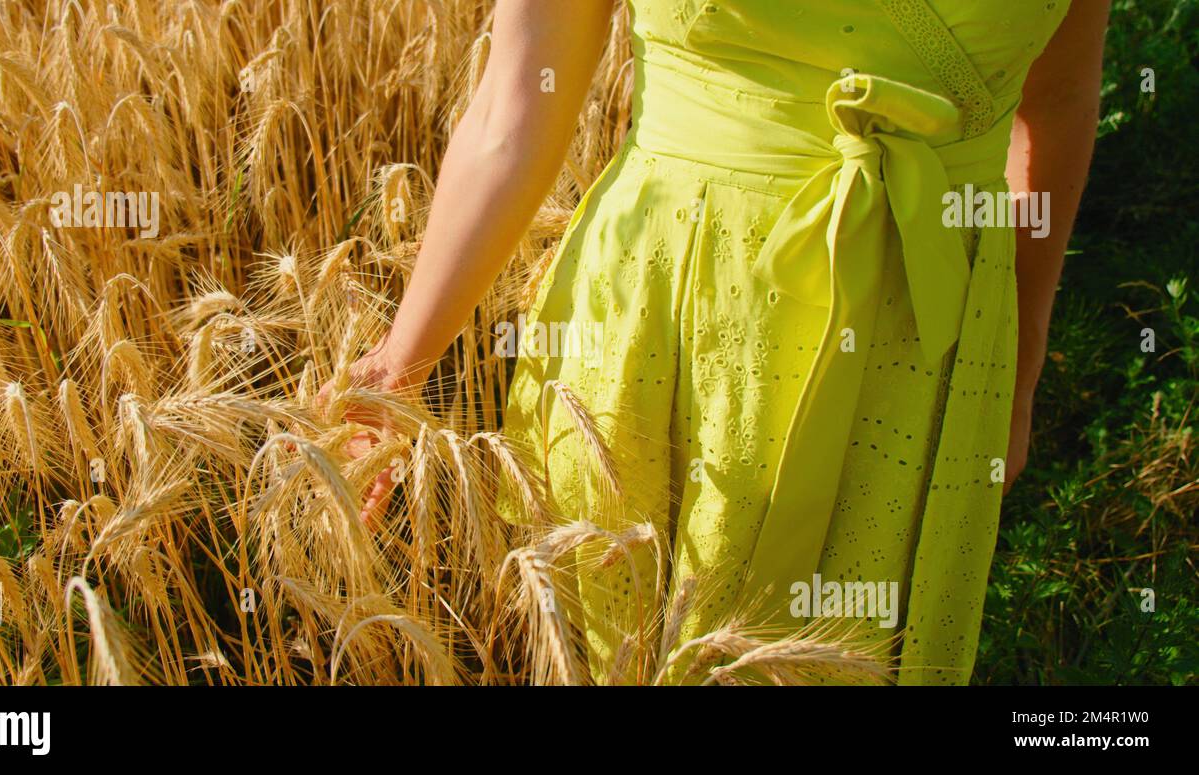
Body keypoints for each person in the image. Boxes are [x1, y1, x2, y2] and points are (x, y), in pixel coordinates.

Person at [319, 0, 1109, 685]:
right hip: (663, 335)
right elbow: (513, 110)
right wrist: (401, 362)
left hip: (927, 347)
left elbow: (1061, 99)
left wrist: (1019, 357)